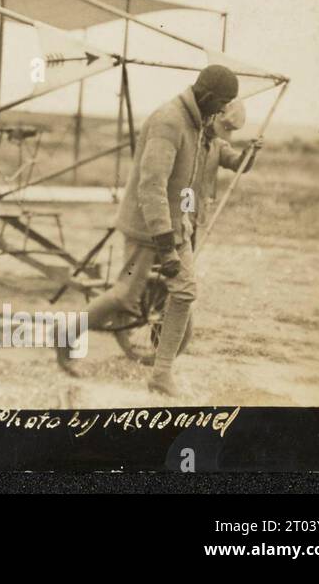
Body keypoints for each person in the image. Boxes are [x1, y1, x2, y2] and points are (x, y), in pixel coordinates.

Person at [57, 64, 250, 395]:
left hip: (175, 226)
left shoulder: (197, 122)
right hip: (147, 227)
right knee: (125, 295)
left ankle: (161, 375)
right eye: (220, 103)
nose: (221, 111)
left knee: (185, 292)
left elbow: (202, 170)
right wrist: (165, 244)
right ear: (205, 96)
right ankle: (66, 334)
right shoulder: (169, 121)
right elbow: (151, 186)